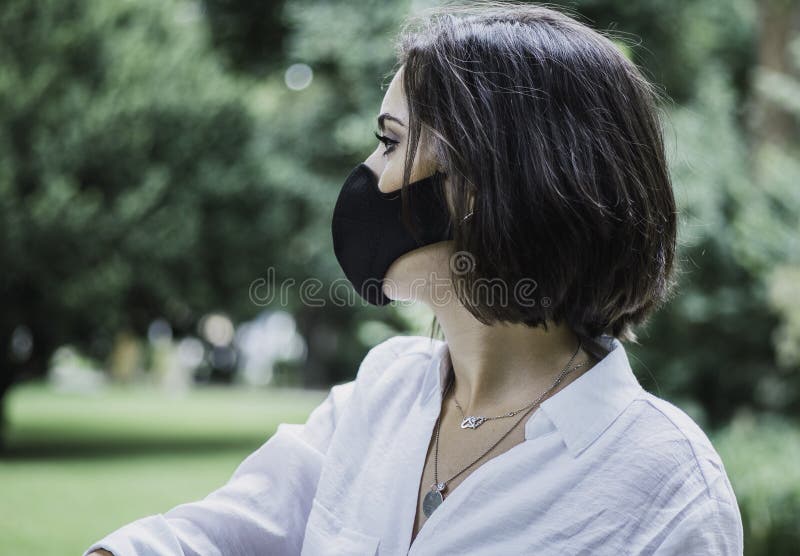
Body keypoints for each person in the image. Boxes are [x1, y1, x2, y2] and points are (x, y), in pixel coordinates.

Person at [85, 2, 744, 555]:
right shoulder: (382, 391)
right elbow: (215, 536)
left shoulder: (668, 487)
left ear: (491, 183)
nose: (368, 172)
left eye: (392, 141)